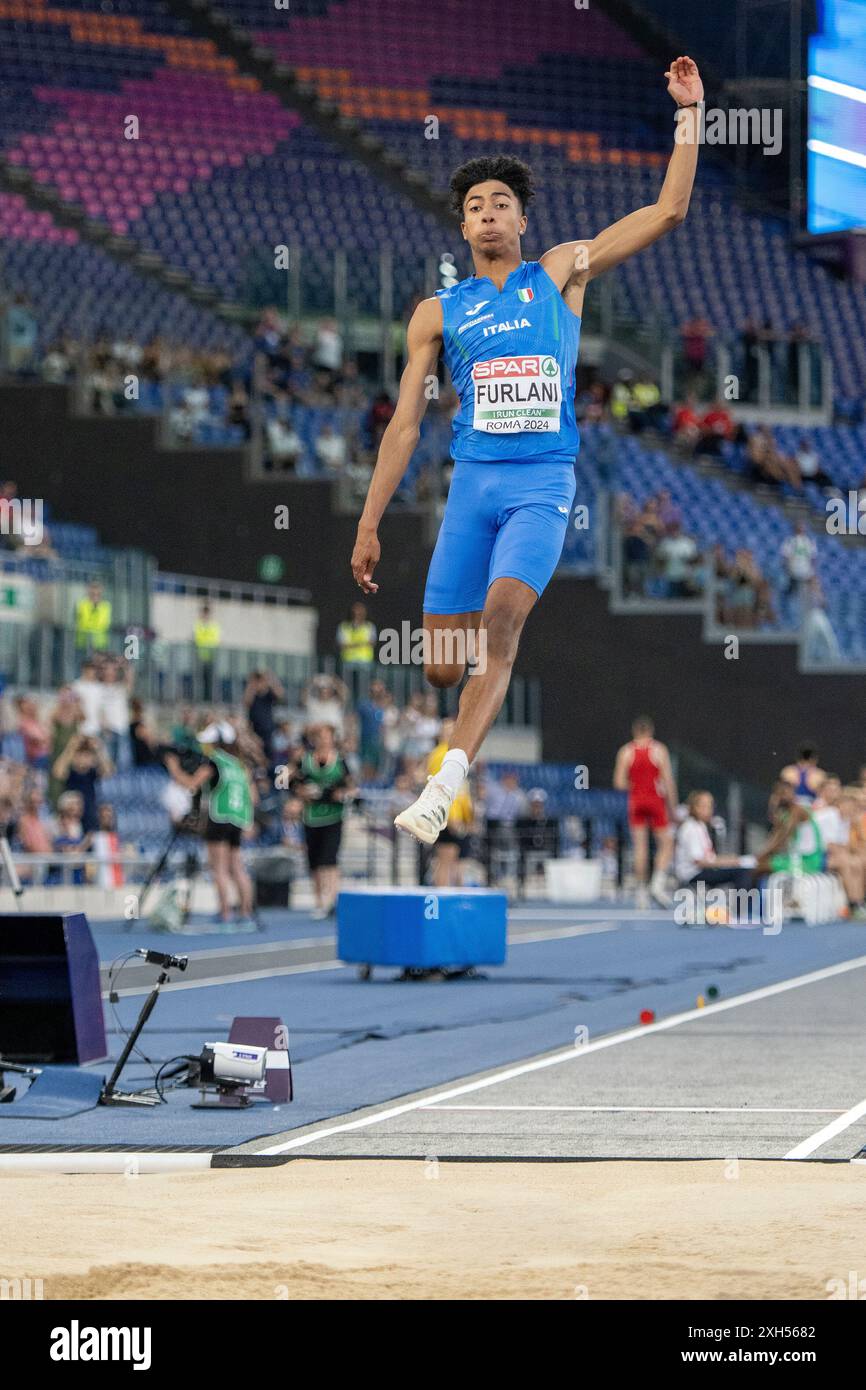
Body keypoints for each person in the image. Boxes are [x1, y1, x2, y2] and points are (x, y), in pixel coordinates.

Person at [350, 57, 704, 845]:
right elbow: (404, 426)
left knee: (503, 625)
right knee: (443, 663)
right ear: (463, 225)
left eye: (499, 203)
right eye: (473, 206)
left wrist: (692, 114)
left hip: (542, 484)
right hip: (471, 486)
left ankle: (446, 781)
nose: (485, 215)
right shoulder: (436, 314)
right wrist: (370, 524)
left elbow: (669, 211)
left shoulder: (560, 274)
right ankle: (463, 701)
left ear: (521, 222)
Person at [164, 723, 256, 930]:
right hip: (237, 819)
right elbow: (252, 797)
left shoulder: (214, 762)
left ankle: (225, 912)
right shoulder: (239, 765)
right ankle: (246, 912)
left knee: (219, 869)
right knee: (237, 868)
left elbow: (191, 784)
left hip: (219, 817)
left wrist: (173, 768)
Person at [290, 723, 354, 919]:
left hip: (333, 815)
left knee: (330, 858)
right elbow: (291, 782)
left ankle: (332, 899)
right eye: (320, 736)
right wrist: (300, 794)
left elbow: (351, 787)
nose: (324, 740)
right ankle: (319, 900)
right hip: (311, 816)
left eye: (327, 736)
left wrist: (340, 794)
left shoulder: (340, 760)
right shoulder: (305, 760)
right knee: (315, 861)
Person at [613, 716, 678, 908]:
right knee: (666, 843)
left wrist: (634, 785)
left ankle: (641, 893)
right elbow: (668, 780)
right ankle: (657, 884)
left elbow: (618, 783)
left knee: (640, 848)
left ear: (634, 731)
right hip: (654, 800)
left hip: (636, 800)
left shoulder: (626, 751)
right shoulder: (658, 750)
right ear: (650, 731)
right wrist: (672, 808)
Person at [674, 791, 754, 893]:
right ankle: (741, 908)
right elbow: (700, 861)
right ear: (694, 807)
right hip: (693, 873)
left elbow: (709, 857)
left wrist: (729, 860)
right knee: (741, 873)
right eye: (704, 806)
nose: (708, 810)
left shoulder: (700, 826)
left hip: (703, 870)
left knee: (748, 871)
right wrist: (728, 862)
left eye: (710, 806)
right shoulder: (690, 827)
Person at [51, 732, 113, 834]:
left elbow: (108, 772)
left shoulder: (92, 773)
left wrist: (99, 749)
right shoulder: (70, 772)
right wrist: (70, 748)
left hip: (90, 815)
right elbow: (57, 772)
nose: (83, 759)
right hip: (72, 817)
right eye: (80, 755)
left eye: (87, 756)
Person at [243, 669, 285, 767]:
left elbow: (280, 695)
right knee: (253, 753)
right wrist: (252, 684)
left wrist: (270, 679)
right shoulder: (252, 694)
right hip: (253, 729)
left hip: (267, 729)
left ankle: (268, 770)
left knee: (268, 753)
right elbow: (246, 702)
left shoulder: (269, 694)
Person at [193, 603, 221, 702]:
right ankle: (199, 698)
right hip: (200, 656)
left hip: (211, 656)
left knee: (210, 680)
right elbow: (197, 638)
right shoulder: (198, 624)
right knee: (200, 679)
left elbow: (215, 640)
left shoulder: (214, 625)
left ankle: (209, 699)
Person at [74, 580, 112, 653]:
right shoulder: (81, 604)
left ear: (101, 591)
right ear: (88, 591)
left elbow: (105, 624)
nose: (95, 594)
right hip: (83, 642)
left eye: (98, 593)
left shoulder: (106, 606)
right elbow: (82, 623)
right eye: (93, 592)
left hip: (100, 643)